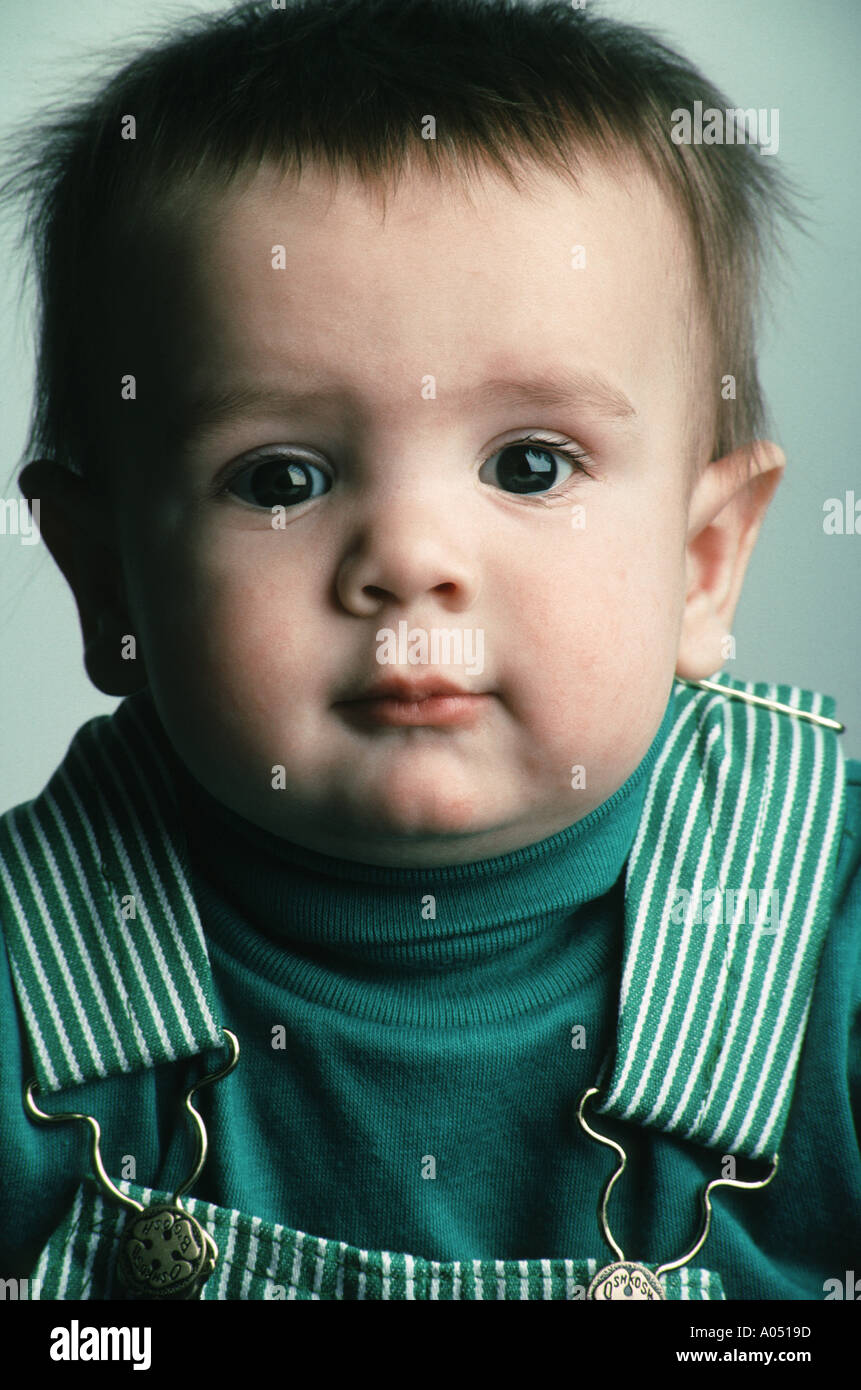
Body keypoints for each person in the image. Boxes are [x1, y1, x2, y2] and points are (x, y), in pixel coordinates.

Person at [0, 0, 857, 1301]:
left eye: (530, 464)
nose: (407, 558)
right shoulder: (35, 983)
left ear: (703, 563)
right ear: (105, 575)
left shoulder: (830, 948)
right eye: (280, 477)